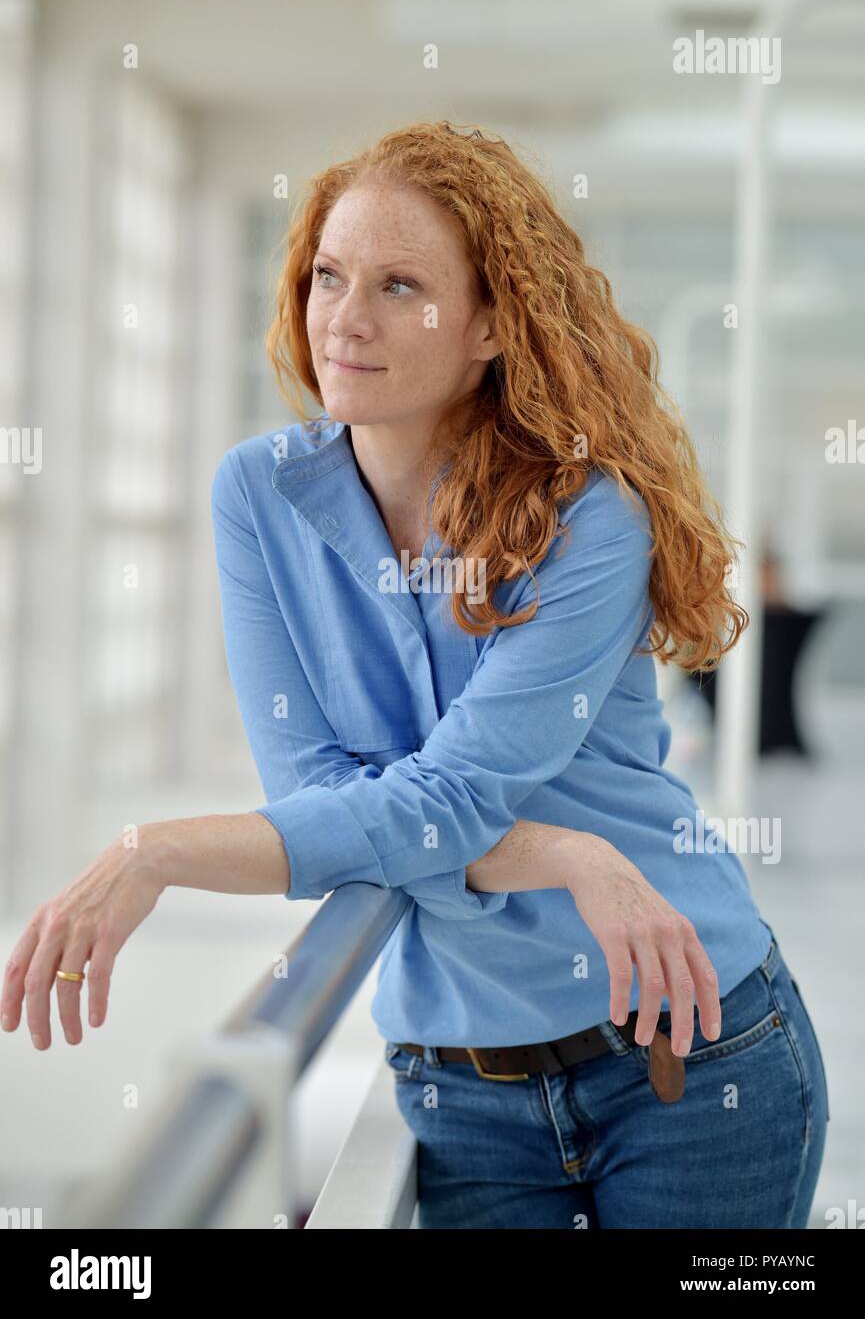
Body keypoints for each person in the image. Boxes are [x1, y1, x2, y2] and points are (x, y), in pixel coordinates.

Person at [0, 121, 828, 1230]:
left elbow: (436, 804)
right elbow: (322, 794)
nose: (345, 318)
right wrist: (570, 856)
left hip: (689, 1054)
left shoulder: (589, 517)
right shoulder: (259, 494)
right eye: (328, 277)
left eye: (400, 286)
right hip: (459, 1084)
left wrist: (161, 851)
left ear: (490, 323)